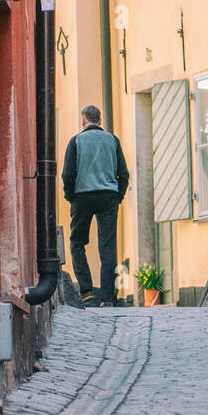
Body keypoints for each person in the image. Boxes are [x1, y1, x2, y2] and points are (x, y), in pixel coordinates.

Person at [62, 105, 130, 307]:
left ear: (83, 122)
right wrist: (118, 195)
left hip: (82, 196)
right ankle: (108, 298)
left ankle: (86, 290)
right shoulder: (112, 140)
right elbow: (123, 174)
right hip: (108, 197)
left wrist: (70, 196)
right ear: (100, 121)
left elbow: (68, 174)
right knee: (107, 248)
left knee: (77, 242)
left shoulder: (76, 141)